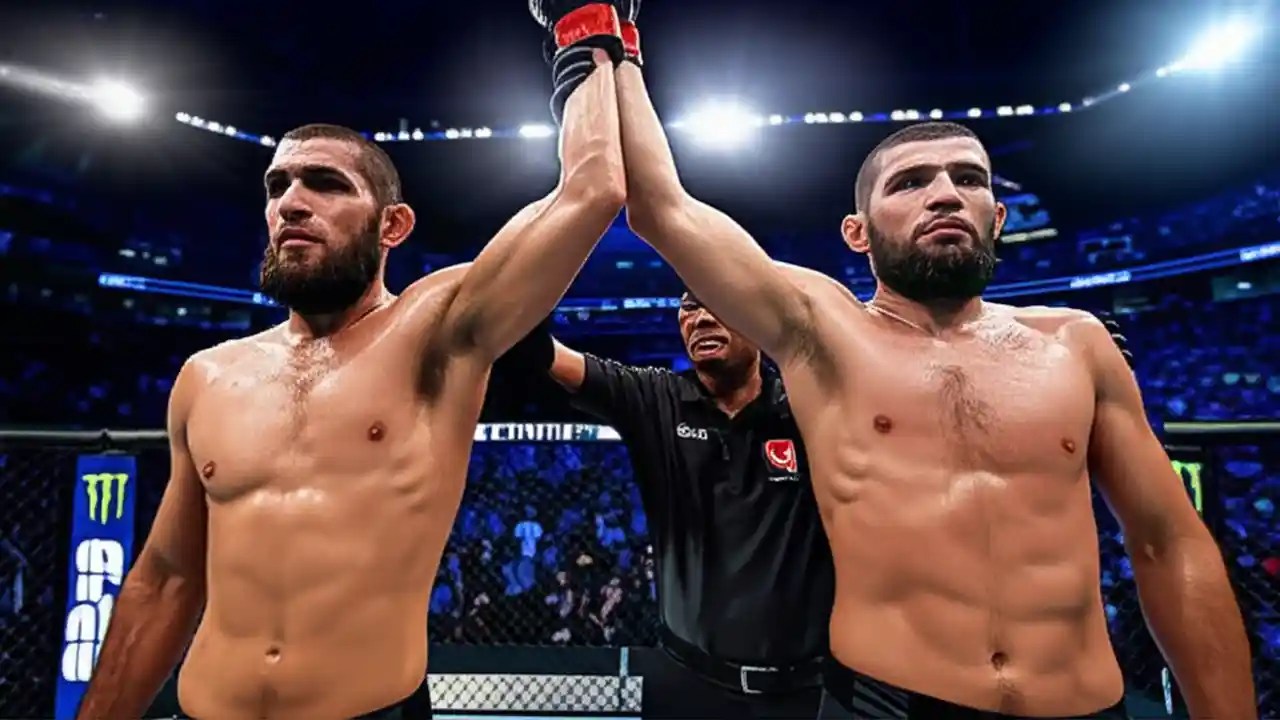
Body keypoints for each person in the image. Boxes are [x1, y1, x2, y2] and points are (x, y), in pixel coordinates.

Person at [599, 15, 1256, 718]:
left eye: (968, 178)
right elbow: (660, 207)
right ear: (858, 233)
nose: (945, 194)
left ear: (997, 217)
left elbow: (1168, 543)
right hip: (888, 701)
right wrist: (614, 41)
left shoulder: (1077, 341)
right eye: (910, 182)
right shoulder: (822, 332)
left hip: (1082, 702)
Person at [73, 36, 626, 720]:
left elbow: (593, 189)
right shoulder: (206, 375)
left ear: (393, 225)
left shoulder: (437, 332)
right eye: (277, 186)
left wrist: (584, 35)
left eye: (325, 184)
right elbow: (166, 579)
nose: (291, 203)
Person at [504, 285, 834, 718]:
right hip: (685, 682)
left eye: (719, 303)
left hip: (802, 690)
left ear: (757, 319)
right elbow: (539, 351)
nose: (702, 318)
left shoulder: (807, 406)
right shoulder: (655, 398)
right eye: (689, 308)